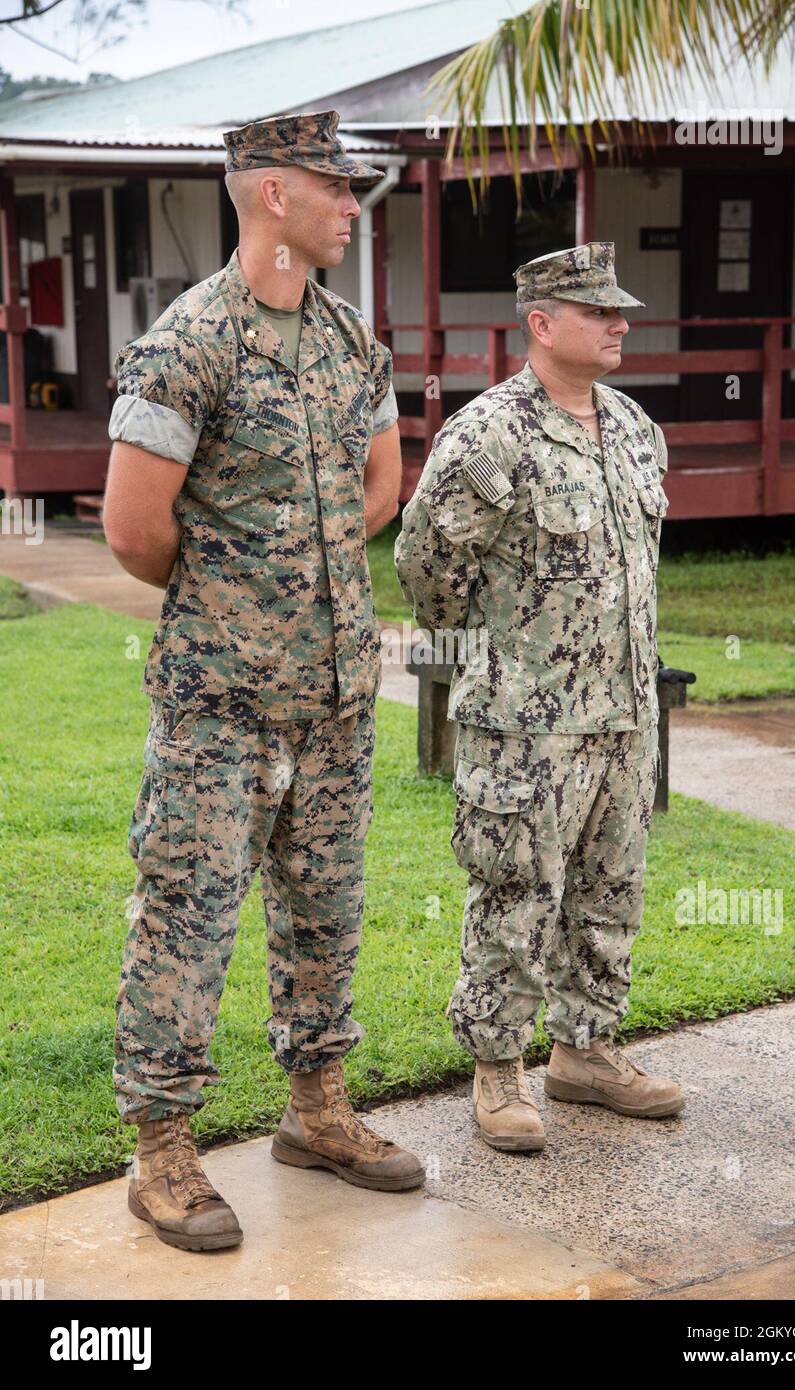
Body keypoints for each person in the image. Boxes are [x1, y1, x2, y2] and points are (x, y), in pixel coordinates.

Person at [103, 110, 425, 1253]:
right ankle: (162, 1151)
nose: (354, 205)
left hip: (337, 696)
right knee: (188, 915)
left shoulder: (352, 343)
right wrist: (241, 601)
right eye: (336, 188)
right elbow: (135, 528)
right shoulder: (186, 344)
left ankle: (318, 1108)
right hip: (220, 703)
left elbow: (382, 486)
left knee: (325, 908)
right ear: (272, 196)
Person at [394, 243, 684, 1153]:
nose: (620, 325)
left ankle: (586, 1050)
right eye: (600, 312)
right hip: (524, 723)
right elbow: (426, 565)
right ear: (543, 324)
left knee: (611, 892)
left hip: (626, 714)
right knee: (515, 896)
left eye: (619, 311)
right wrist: (501, 654)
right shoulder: (490, 433)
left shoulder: (635, 425)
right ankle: (496, 1068)